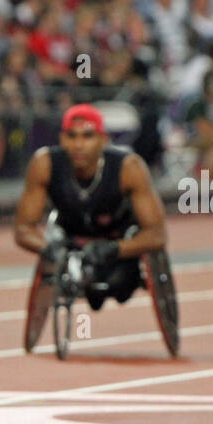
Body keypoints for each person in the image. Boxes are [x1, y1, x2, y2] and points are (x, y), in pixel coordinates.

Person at [14, 103, 167, 310]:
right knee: (88, 291)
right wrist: (50, 249)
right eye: (72, 136)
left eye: (87, 136)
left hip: (116, 241)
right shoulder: (45, 164)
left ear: (103, 139)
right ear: (61, 139)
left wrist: (115, 249)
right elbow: (23, 230)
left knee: (119, 286)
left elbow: (157, 235)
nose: (78, 145)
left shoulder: (128, 168)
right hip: (71, 240)